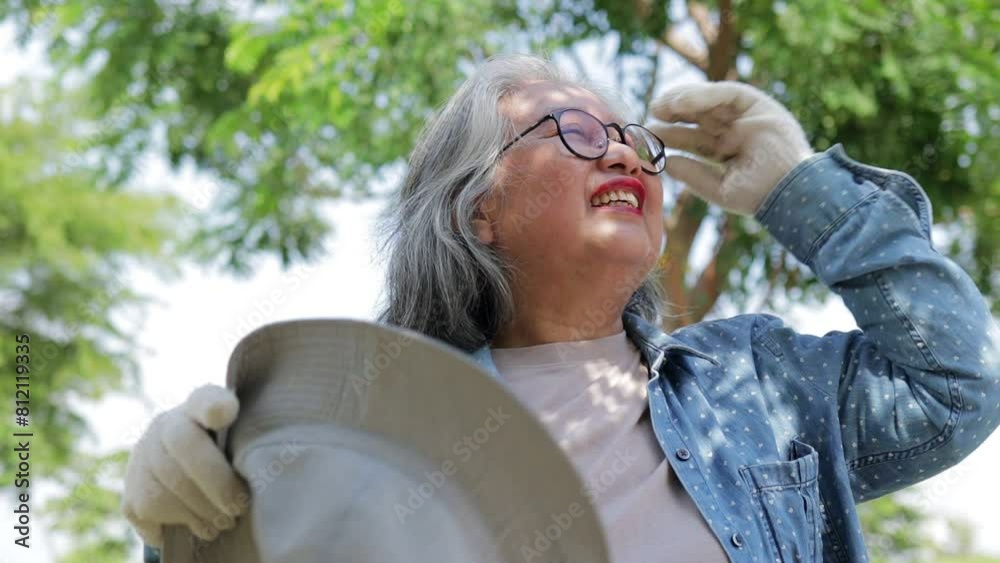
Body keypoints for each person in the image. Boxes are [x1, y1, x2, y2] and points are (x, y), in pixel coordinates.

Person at [123, 54, 1000, 563]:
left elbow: (961, 385)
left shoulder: (757, 385)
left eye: (633, 137)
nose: (623, 148)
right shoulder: (365, 424)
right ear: (481, 208)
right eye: (575, 131)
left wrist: (803, 188)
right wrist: (178, 524)